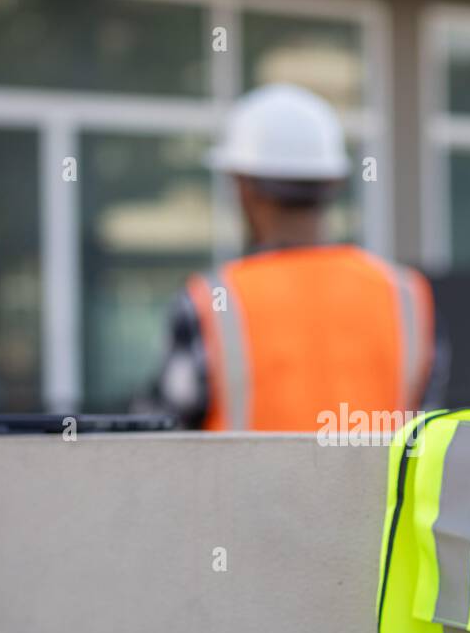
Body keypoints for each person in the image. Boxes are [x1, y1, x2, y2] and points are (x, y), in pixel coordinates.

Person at [140, 83, 447, 430]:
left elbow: (163, 438)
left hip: (246, 487)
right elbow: (427, 431)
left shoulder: (208, 301)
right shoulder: (407, 296)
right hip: (373, 489)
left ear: (243, 187)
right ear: (334, 182)